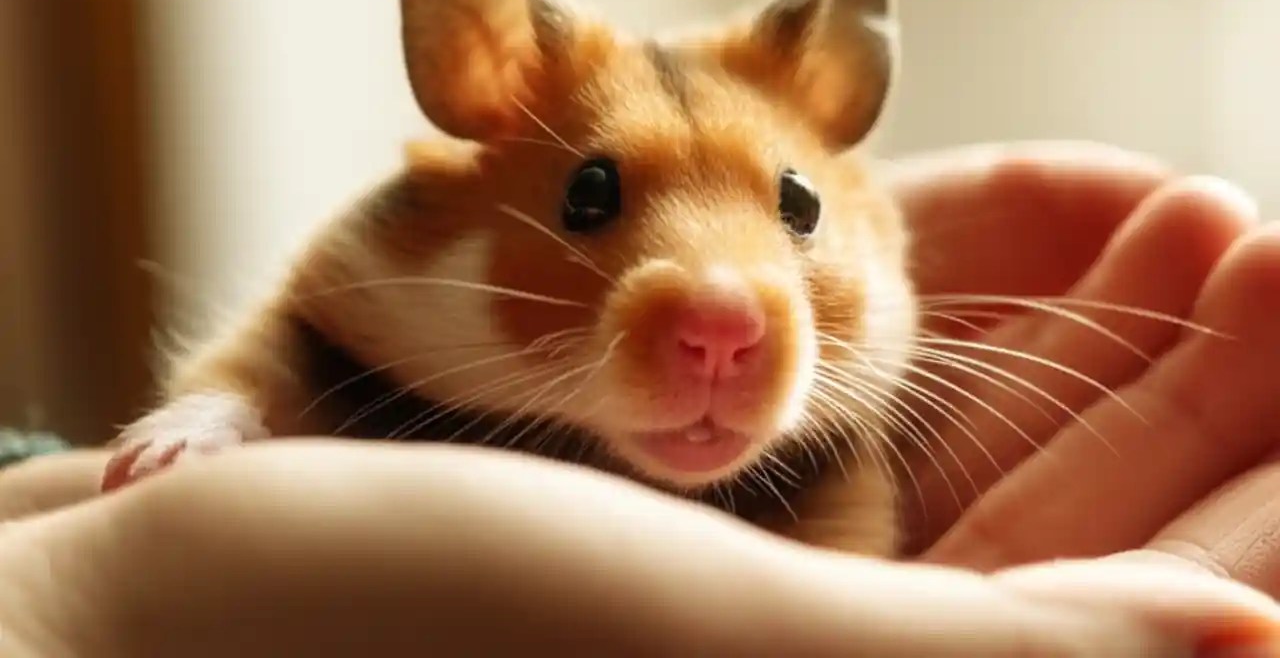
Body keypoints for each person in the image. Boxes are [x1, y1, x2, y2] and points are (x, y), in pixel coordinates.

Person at [2, 142, 1278, 657]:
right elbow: (302, 328)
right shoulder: (388, 269)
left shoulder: (875, 363)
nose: (718, 312)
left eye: (791, 208)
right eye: (594, 201)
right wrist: (91, 584)